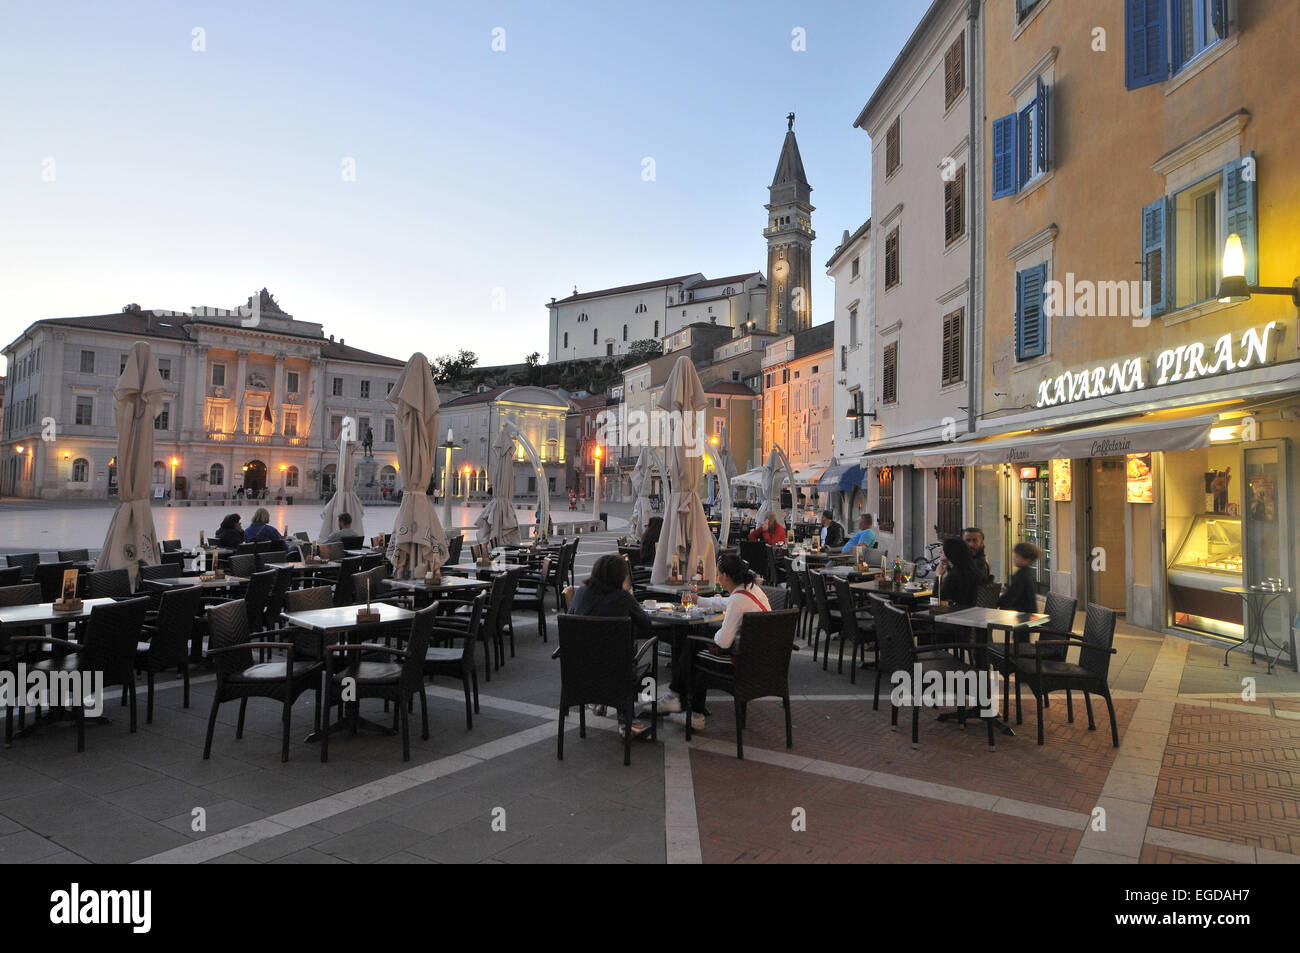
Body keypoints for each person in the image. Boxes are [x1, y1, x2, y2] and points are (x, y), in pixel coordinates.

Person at [657, 553, 770, 730]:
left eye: (718, 574)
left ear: (725, 576)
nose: (717, 578)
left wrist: (714, 635)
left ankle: (687, 708)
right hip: (764, 658)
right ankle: (683, 702)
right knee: (697, 646)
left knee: (695, 650)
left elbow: (723, 642)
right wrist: (700, 601)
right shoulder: (752, 589)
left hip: (744, 664)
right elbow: (728, 603)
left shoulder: (738, 600)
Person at [566, 555, 652, 737]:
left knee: (613, 652)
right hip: (617, 673)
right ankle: (626, 721)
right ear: (619, 576)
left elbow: (570, 616)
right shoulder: (622, 597)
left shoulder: (581, 592)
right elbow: (646, 625)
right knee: (629, 656)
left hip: (579, 671)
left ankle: (601, 701)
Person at [998, 542, 1041, 614]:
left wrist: (997, 602)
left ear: (1027, 560)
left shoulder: (1021, 576)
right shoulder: (1027, 573)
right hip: (1028, 613)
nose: (1014, 558)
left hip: (1023, 615)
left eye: (1017, 556)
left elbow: (1011, 595)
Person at [936, 536, 978, 607]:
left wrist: (938, 576)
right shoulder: (971, 570)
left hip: (956, 614)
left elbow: (937, 600)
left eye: (943, 549)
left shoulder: (954, 575)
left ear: (950, 552)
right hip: (970, 613)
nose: (940, 551)